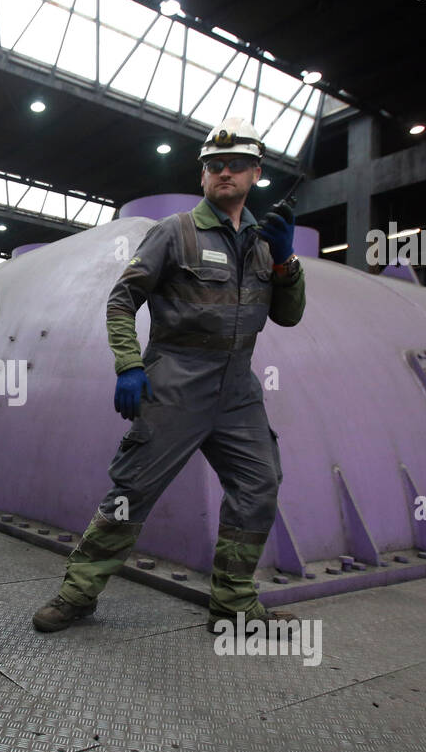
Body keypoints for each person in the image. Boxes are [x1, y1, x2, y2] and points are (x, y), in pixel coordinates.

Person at [32, 117, 306, 634]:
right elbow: (122, 298)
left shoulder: (266, 244)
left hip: (237, 390)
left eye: (236, 165)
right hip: (175, 381)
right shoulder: (174, 232)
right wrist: (130, 365)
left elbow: (288, 316)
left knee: (258, 485)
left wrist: (287, 260)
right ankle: (77, 595)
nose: (224, 172)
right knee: (130, 490)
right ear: (203, 176)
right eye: (214, 166)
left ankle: (233, 605)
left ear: (255, 174)